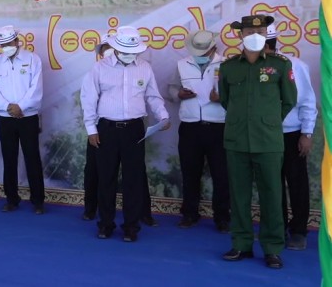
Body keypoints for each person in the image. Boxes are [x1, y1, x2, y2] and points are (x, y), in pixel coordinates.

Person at [219, 14, 296, 269]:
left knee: (272, 196)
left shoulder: (281, 65)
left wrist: (269, 121)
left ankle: (272, 248)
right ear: (240, 34)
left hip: (268, 142)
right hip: (237, 140)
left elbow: (288, 101)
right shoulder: (229, 67)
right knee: (239, 196)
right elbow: (225, 100)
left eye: (261, 30)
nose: (255, 35)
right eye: (249, 31)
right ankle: (241, 244)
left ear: (267, 34)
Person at [80, 26, 170, 242]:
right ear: (117, 48)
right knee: (106, 179)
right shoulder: (100, 68)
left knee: (133, 179)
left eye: (134, 51)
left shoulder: (144, 67)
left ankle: (131, 227)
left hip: (134, 129)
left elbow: (153, 96)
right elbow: (88, 100)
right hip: (106, 129)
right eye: (127, 51)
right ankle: (106, 224)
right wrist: (91, 129)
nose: (131, 55)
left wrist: (163, 116)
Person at [168, 30, 230, 233]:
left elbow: (237, 94)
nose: (200, 54)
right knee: (189, 172)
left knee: (222, 174)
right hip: (190, 126)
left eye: (204, 50)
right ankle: (189, 214)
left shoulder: (227, 64)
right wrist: (179, 94)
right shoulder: (181, 64)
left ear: (214, 48)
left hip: (218, 126)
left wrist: (223, 98)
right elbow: (171, 89)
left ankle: (222, 217)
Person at [263, 25, 316, 251]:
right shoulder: (250, 67)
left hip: (291, 135)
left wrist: (306, 133)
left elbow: (307, 102)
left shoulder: (294, 65)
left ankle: (299, 231)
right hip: (264, 136)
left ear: (266, 45)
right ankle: (277, 229)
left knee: (296, 184)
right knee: (271, 185)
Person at [0, 25, 45, 214]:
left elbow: (36, 88)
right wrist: (7, 107)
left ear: (17, 41)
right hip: (6, 119)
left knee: (32, 158)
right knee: (9, 159)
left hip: (28, 117)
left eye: (9, 43)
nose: (6, 46)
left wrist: (21, 106)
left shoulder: (32, 60)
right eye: (2, 44)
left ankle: (38, 201)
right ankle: (12, 199)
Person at [81, 35, 112, 220]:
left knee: (135, 171)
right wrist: (91, 128)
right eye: (105, 48)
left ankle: (143, 212)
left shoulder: (134, 70)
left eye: (111, 47)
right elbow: (88, 101)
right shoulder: (94, 72)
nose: (108, 51)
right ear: (100, 53)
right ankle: (91, 209)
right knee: (93, 170)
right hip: (99, 127)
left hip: (124, 127)